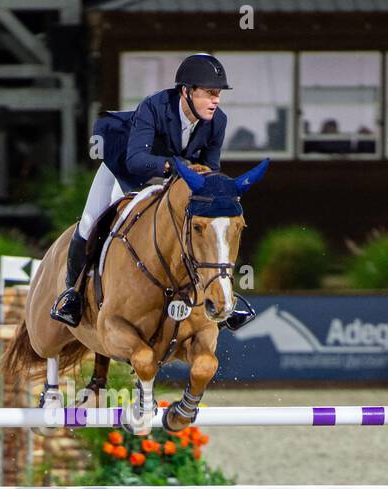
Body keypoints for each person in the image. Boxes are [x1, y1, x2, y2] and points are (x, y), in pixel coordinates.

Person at [50, 53, 251, 331]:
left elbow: (209, 168)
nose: (216, 100)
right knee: (89, 222)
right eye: (209, 93)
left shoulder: (218, 121)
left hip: (172, 181)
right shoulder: (154, 107)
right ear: (186, 92)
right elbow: (136, 160)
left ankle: (222, 298)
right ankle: (71, 295)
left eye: (218, 94)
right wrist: (174, 165)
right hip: (124, 169)